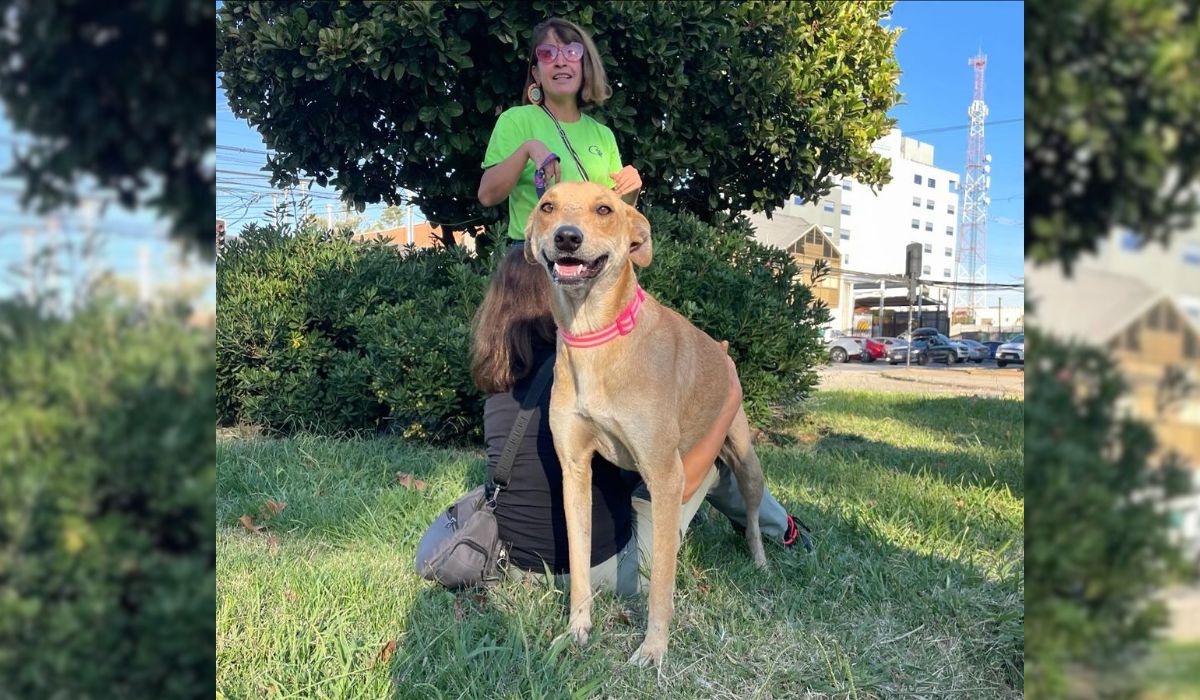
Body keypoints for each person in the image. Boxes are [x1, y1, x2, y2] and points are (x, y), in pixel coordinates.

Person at [470, 246, 811, 596]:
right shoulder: (583, 377)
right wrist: (729, 398)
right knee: (715, 465)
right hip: (610, 571)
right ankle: (778, 531)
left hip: (514, 568)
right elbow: (683, 483)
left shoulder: (498, 384)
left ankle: (768, 527)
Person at [477, 17, 642, 241]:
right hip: (532, 262)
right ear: (536, 73)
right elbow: (487, 195)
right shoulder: (516, 120)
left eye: (572, 52)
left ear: (584, 67)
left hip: (590, 258)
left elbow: (614, 213)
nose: (560, 62)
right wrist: (528, 148)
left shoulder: (603, 135)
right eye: (548, 53)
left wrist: (631, 190)